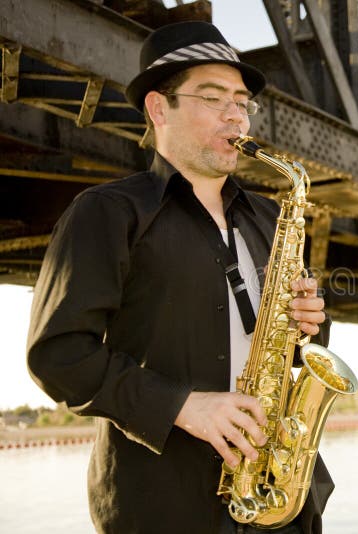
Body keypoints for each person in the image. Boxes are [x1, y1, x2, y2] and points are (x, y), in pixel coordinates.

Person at [27, 21, 335, 534]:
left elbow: (299, 351)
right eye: (213, 98)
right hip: (164, 504)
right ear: (158, 108)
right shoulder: (106, 212)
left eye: (242, 102)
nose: (235, 115)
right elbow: (59, 355)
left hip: (281, 498)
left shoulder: (270, 217)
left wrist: (311, 323)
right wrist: (182, 406)